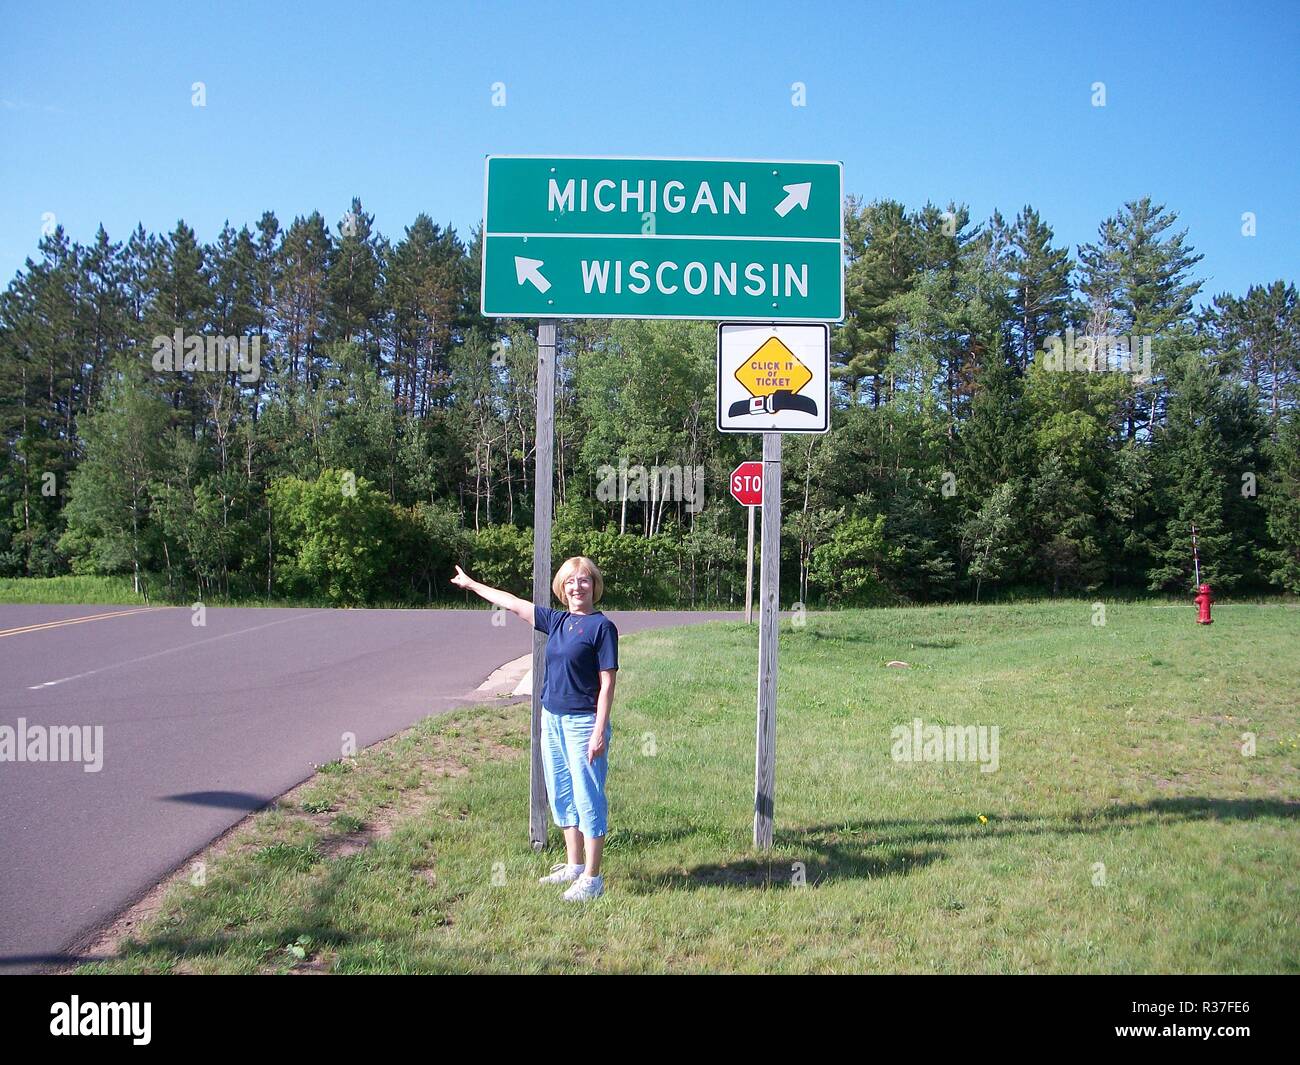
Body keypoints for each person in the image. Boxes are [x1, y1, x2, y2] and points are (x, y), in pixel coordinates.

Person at [450, 557, 618, 901]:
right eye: (570, 582)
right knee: (561, 793)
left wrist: (599, 729)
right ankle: (573, 865)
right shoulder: (557, 621)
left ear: (594, 586)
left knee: (588, 798)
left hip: (582, 722)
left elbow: (607, 683)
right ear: (562, 587)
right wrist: (470, 584)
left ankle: (592, 877)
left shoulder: (602, 628)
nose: (577, 587)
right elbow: (512, 603)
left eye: (584, 581)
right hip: (552, 718)